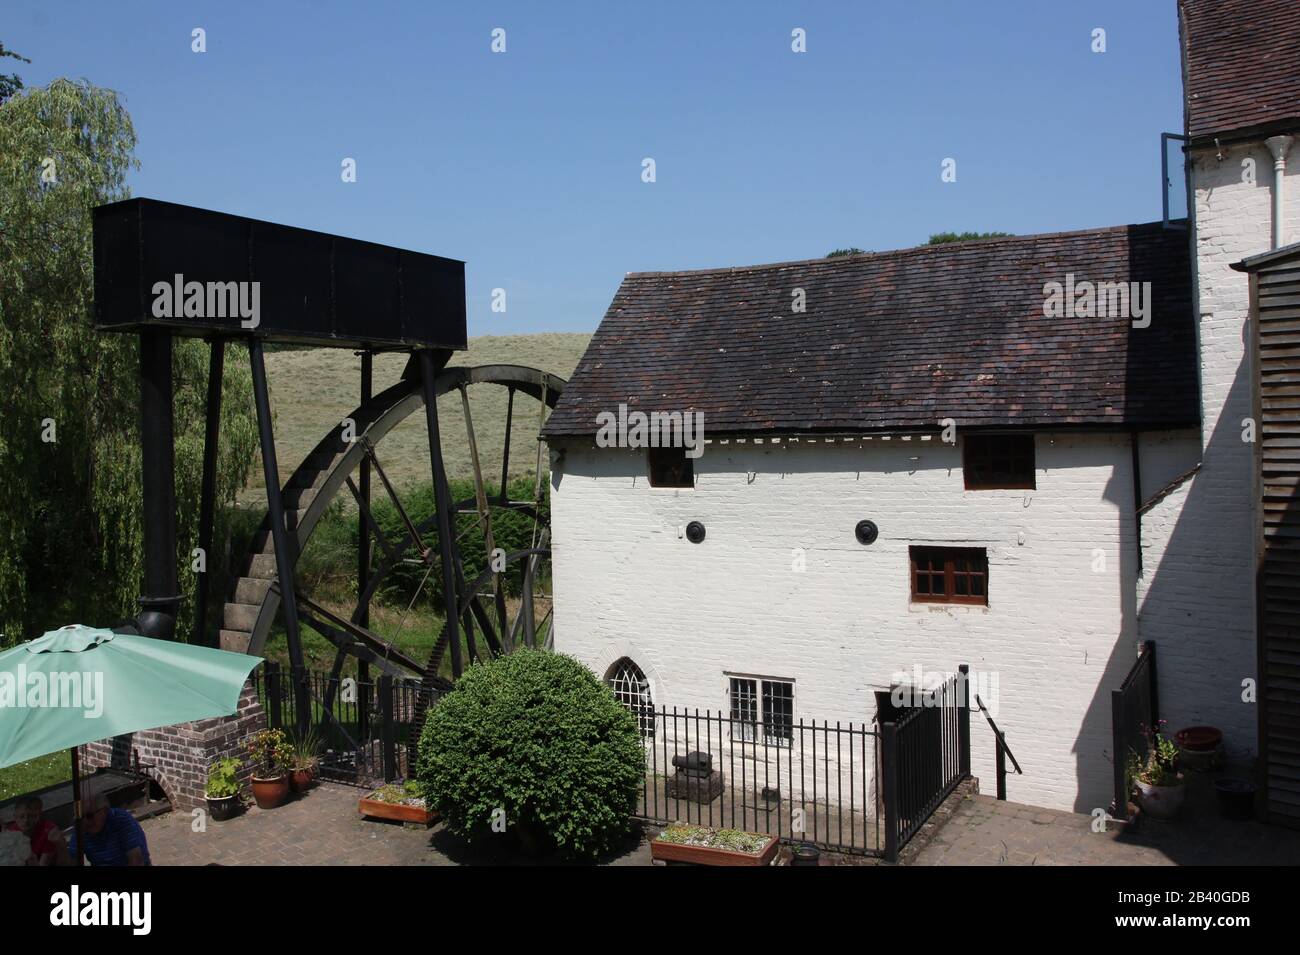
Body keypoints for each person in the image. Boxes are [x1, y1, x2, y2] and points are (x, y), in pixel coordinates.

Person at [67, 791, 150, 866]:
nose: (85, 821)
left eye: (89, 816)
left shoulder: (121, 820)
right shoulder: (81, 828)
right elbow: (72, 860)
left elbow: (137, 861)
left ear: (104, 811)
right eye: (81, 817)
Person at [4, 795, 66, 866]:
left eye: (31, 816)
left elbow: (44, 863)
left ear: (39, 815)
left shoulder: (49, 832)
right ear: (15, 817)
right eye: (21, 816)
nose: (26, 820)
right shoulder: (11, 832)